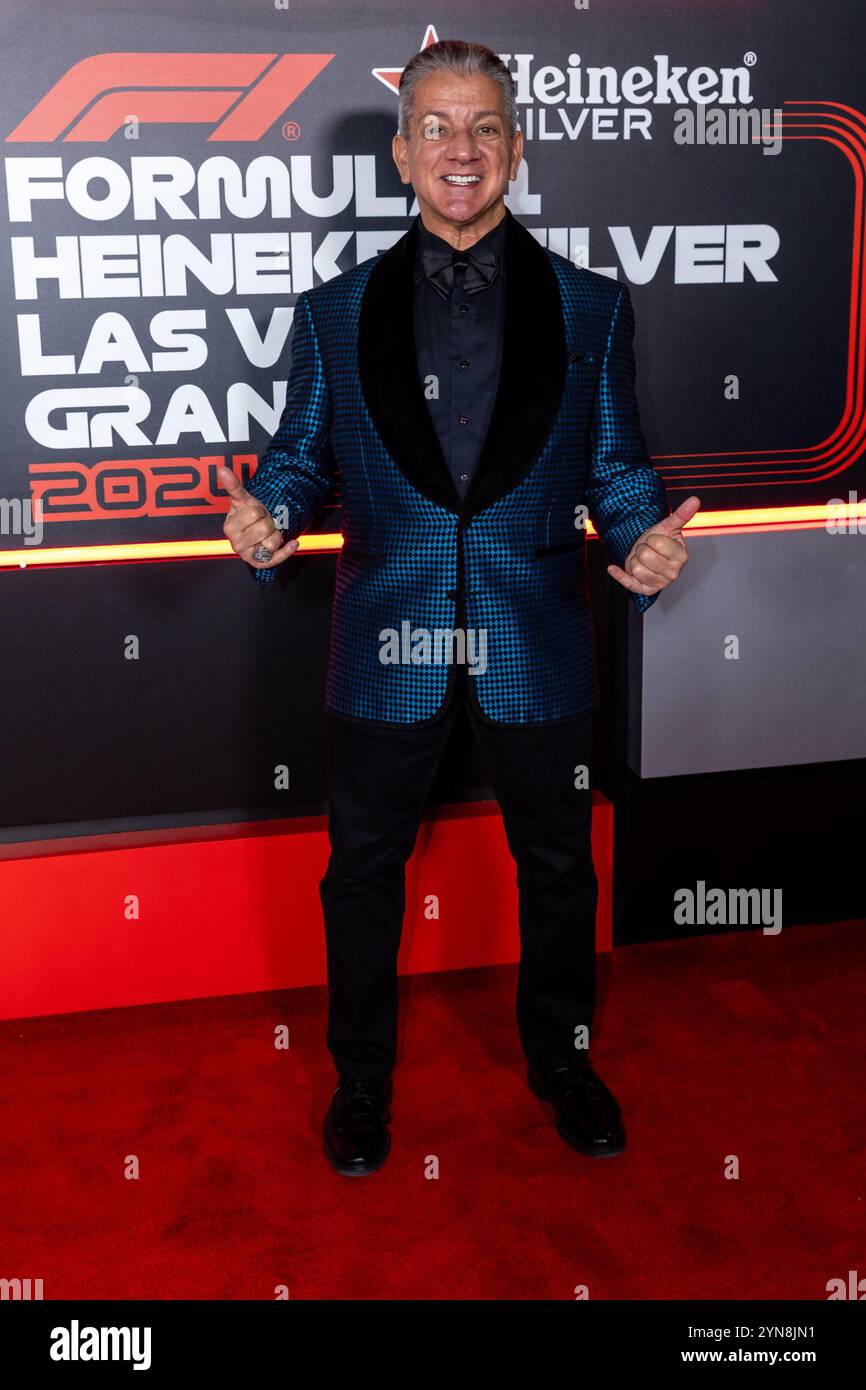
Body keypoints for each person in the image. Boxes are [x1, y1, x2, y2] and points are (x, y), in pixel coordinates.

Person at [222, 39, 698, 1176]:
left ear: (517, 147)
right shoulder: (335, 313)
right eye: (435, 126)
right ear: (399, 152)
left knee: (558, 865)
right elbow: (297, 460)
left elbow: (616, 468)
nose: (460, 150)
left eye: (483, 126)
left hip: (535, 629)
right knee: (362, 868)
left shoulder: (591, 307)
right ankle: (361, 1080)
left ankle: (564, 1061)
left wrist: (637, 540)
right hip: (385, 633)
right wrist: (266, 519)